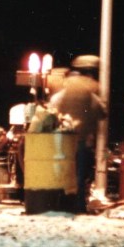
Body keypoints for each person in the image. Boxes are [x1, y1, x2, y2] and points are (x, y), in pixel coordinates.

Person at [48, 54, 106, 213]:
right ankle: (78, 206)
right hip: (81, 140)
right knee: (80, 175)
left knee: (62, 172)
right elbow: (101, 111)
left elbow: (54, 104)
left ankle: (60, 204)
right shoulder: (91, 87)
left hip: (63, 138)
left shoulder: (65, 84)